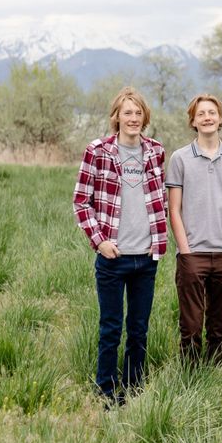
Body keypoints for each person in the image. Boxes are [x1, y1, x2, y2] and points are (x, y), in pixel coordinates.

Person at [73, 87, 167, 405]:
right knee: (111, 328)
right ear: (116, 117)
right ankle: (106, 392)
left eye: (138, 113)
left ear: (145, 117)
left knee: (139, 329)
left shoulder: (155, 151)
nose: (133, 118)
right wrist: (99, 242)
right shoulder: (98, 151)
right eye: (127, 112)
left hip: (145, 257)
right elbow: (81, 202)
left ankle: (134, 388)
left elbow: (160, 201)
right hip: (113, 257)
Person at [166, 94, 222, 364]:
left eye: (212, 112)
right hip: (192, 254)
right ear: (193, 121)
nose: (207, 117)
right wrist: (185, 251)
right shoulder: (180, 158)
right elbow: (174, 209)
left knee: (217, 324)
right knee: (190, 325)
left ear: (220, 118)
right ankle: (191, 375)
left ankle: (214, 375)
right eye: (201, 114)